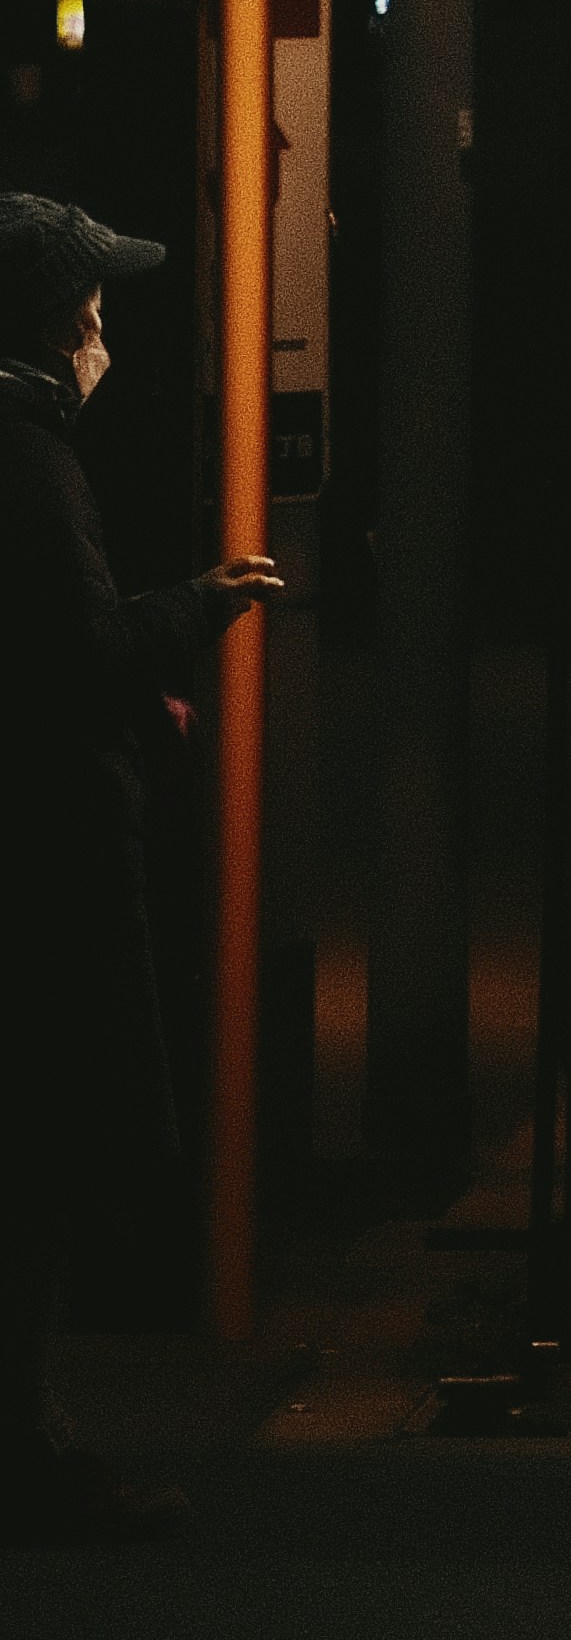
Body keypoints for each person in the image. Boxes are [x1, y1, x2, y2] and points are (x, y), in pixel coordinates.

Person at [0, 191, 276, 1549]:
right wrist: (199, 612)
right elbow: (78, 652)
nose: (104, 324)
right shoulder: (28, 456)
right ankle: (30, 1449)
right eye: (89, 301)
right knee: (37, 1159)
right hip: (42, 859)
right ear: (52, 318)